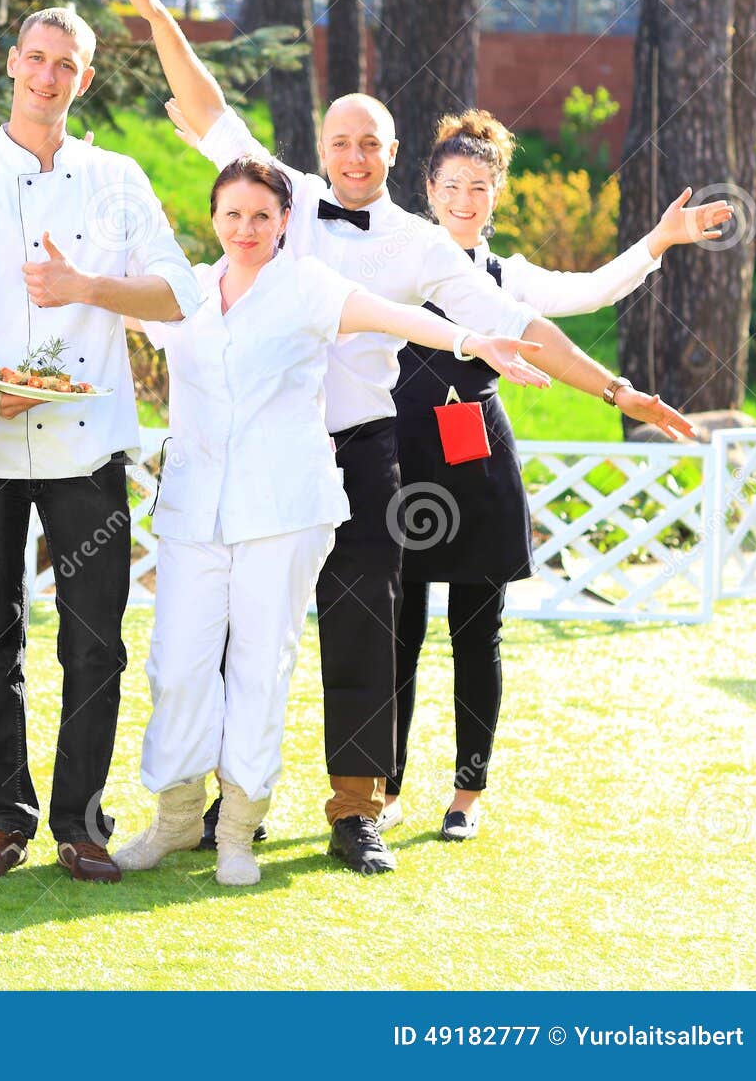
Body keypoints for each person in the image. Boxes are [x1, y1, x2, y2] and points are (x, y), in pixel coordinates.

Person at [101, 0, 694, 874]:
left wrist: (615, 391)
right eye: (339, 141)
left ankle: (354, 807)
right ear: (324, 151)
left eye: (368, 143)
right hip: (263, 453)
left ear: (390, 155)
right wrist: (154, 13)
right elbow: (211, 108)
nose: (351, 155)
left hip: (366, 450)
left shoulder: (421, 242)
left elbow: (512, 320)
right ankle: (218, 800)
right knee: (224, 632)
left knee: (364, 629)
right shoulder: (283, 199)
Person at [114, 157, 548, 885]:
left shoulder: (308, 286)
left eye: (261, 216)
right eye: (233, 215)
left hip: (283, 508)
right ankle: (176, 817)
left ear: (286, 222)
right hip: (194, 516)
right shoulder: (186, 288)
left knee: (261, 664)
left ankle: (239, 832)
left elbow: (397, 317)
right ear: (213, 219)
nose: (246, 228)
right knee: (179, 665)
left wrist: (473, 340)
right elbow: (108, 301)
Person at [0, 2, 204, 885]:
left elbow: (179, 293)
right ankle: (2, 818)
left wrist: (90, 286)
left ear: (85, 78)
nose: (47, 76)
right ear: (12, 67)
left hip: (88, 445)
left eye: (66, 64)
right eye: (34, 58)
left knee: (94, 642)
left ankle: (81, 821)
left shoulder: (119, 179)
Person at [386, 109, 731, 841]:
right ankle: (383, 789)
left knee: (478, 633)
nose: (464, 200)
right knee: (397, 630)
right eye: (451, 185)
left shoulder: (507, 276)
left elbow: (593, 290)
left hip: (477, 459)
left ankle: (465, 794)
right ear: (427, 187)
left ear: (496, 193)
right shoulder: (395, 263)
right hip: (402, 459)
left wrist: (659, 241)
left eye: (479, 187)